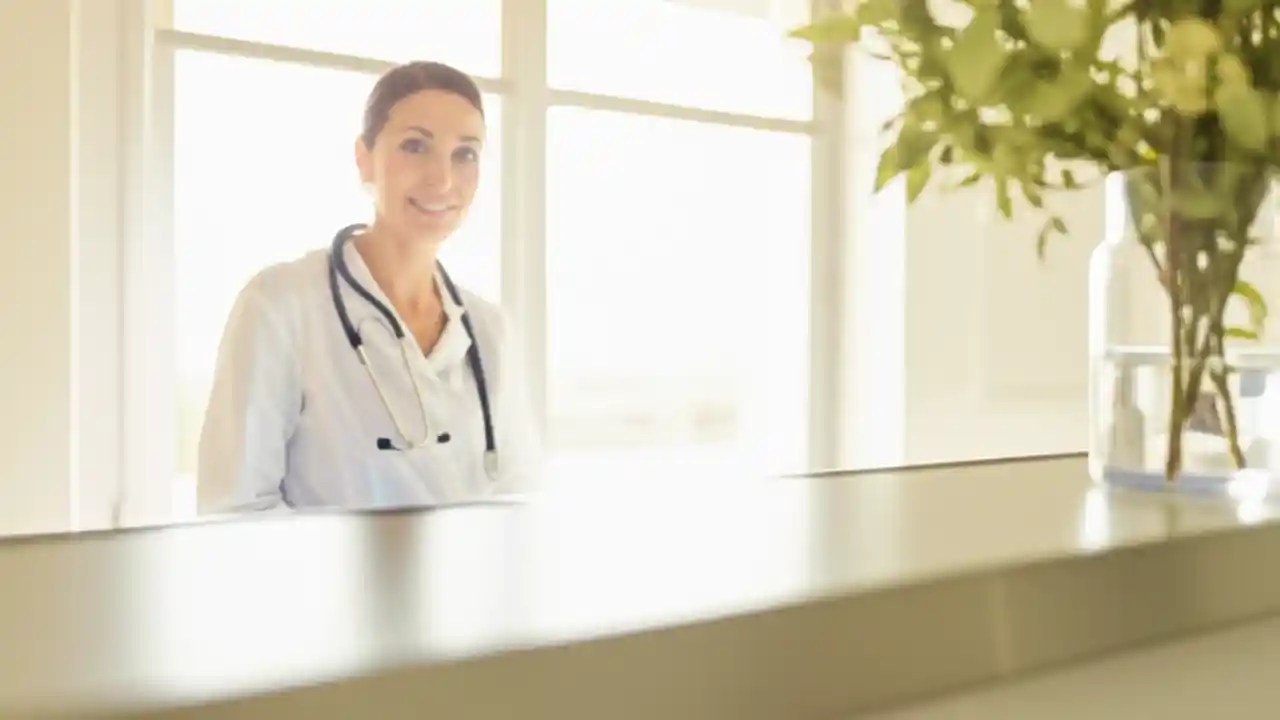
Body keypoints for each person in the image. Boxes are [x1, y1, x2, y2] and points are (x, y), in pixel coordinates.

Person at [196, 61, 541, 514]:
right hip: (317, 586)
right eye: (415, 146)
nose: (443, 178)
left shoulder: (489, 330)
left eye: (466, 153)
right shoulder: (281, 304)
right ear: (365, 160)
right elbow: (235, 509)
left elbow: (519, 502)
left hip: (471, 584)